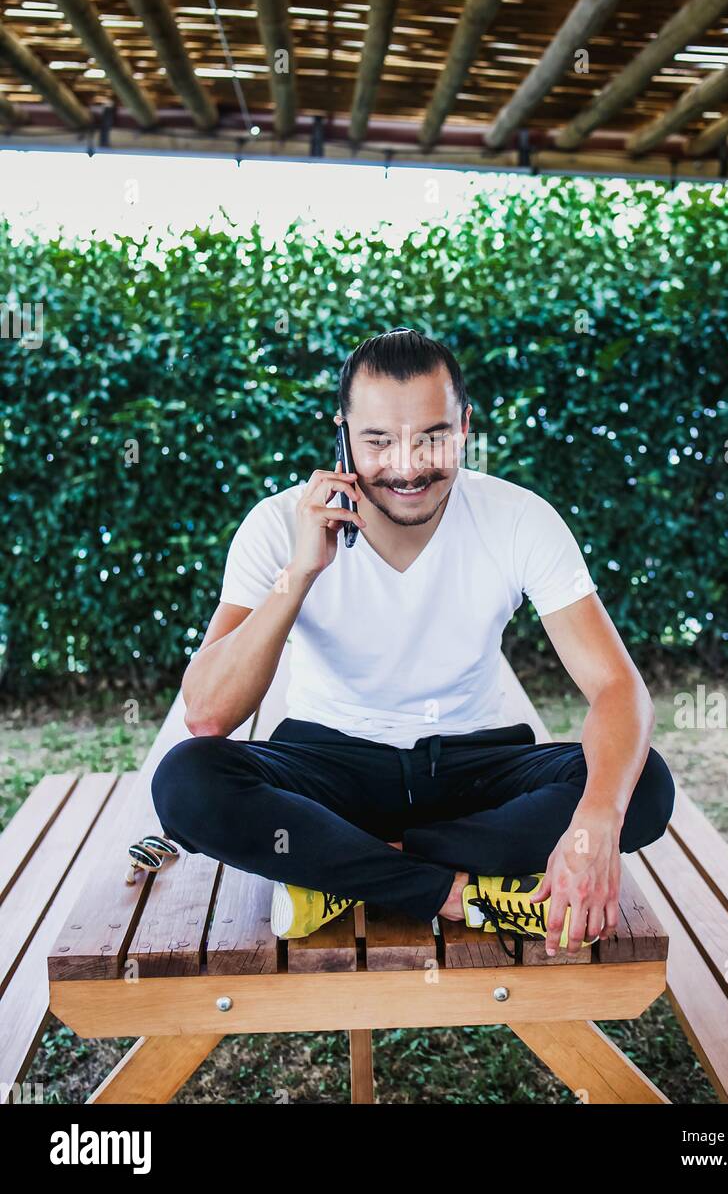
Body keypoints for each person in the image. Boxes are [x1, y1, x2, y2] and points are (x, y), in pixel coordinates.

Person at [151, 328, 675, 958]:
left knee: (643, 788)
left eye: (432, 436)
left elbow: (618, 689)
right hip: (330, 768)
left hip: (472, 770)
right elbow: (207, 713)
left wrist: (593, 823)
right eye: (377, 440)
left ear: (465, 426)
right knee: (185, 782)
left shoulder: (519, 518)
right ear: (342, 430)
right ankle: (460, 894)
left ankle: (344, 874)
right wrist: (299, 575)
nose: (406, 465)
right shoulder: (276, 526)